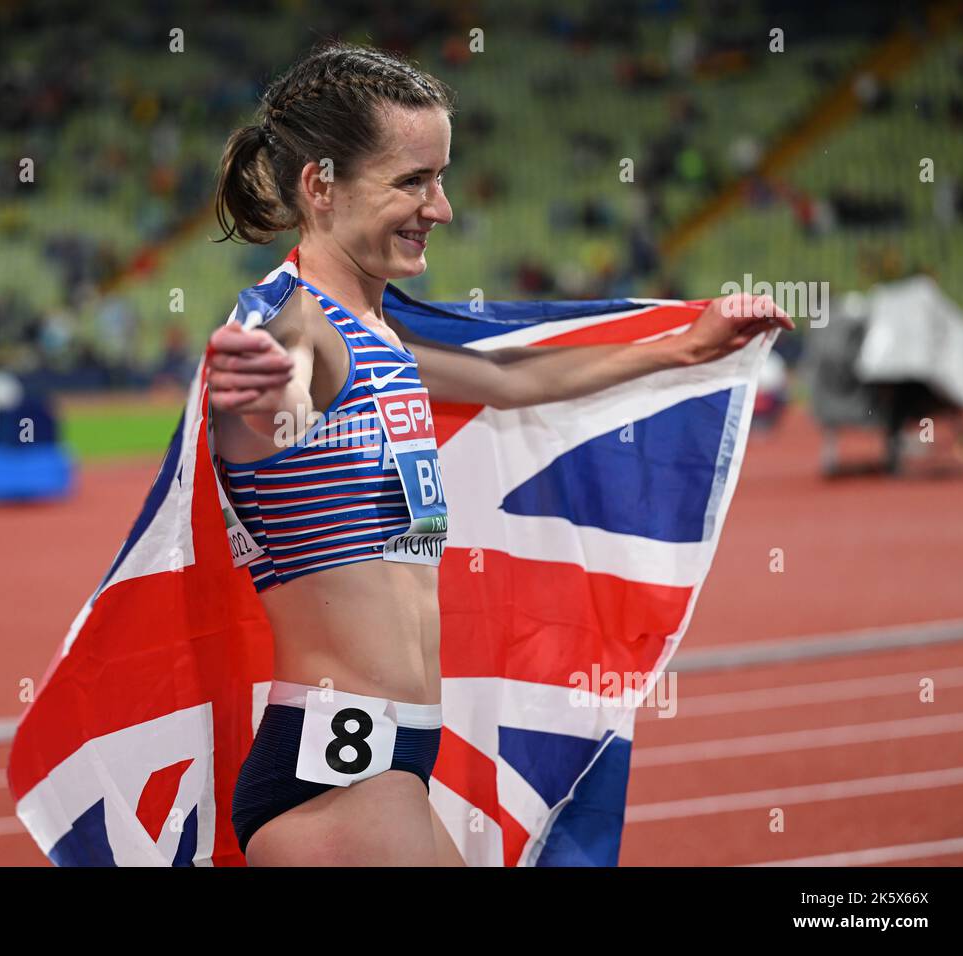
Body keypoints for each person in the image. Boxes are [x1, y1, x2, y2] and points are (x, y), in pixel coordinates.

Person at [207, 41, 792, 867]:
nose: (438, 208)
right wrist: (262, 392)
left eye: (440, 177)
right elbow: (280, 385)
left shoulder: (382, 337)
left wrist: (681, 352)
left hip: (383, 762)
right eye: (411, 181)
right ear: (321, 187)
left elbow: (510, 378)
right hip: (341, 776)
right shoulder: (296, 328)